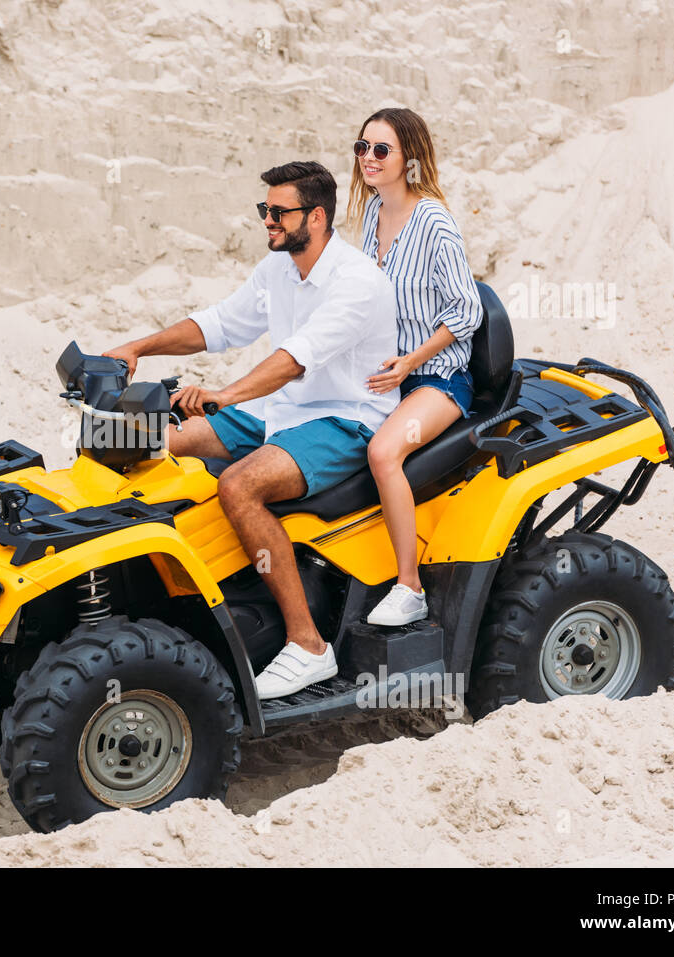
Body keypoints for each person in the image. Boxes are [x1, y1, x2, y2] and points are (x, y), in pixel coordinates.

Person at [104, 160, 397, 699]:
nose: (268, 220)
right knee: (150, 440)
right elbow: (218, 325)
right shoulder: (280, 270)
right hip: (281, 410)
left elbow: (295, 359)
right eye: (265, 210)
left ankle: (308, 644)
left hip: (345, 420)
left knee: (238, 485)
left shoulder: (357, 282)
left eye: (278, 212)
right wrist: (136, 348)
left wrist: (223, 394)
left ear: (316, 215)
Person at [346, 108, 484, 627]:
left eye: (381, 150)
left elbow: (467, 311)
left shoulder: (433, 222)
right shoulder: (371, 217)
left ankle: (409, 586)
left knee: (383, 452)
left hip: (437, 379)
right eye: (362, 148)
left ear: (410, 159)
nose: (368, 159)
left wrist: (411, 361)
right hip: (386, 373)